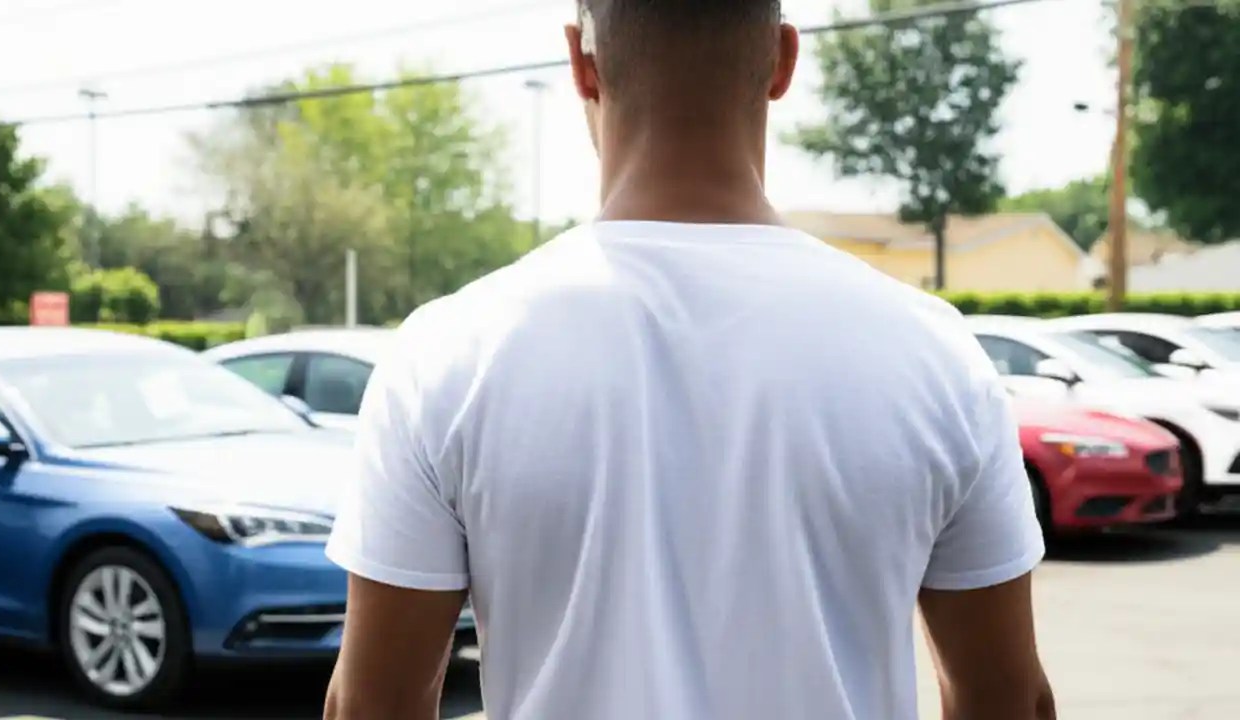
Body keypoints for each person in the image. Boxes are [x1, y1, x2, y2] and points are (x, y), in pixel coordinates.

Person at [323, 1, 1056, 718]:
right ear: (783, 60)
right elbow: (1008, 700)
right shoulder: (935, 355)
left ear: (581, 62)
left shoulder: (447, 355)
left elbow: (374, 704)